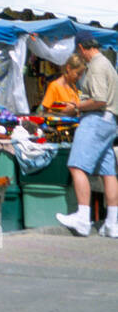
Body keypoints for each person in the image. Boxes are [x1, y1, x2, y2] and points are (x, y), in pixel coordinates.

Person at [56, 38, 118, 238]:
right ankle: (111, 223)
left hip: (96, 120)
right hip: (110, 122)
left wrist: (75, 107)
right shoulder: (107, 63)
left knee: (76, 166)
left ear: (82, 47)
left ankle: (83, 218)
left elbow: (99, 99)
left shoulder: (98, 66)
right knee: (107, 171)